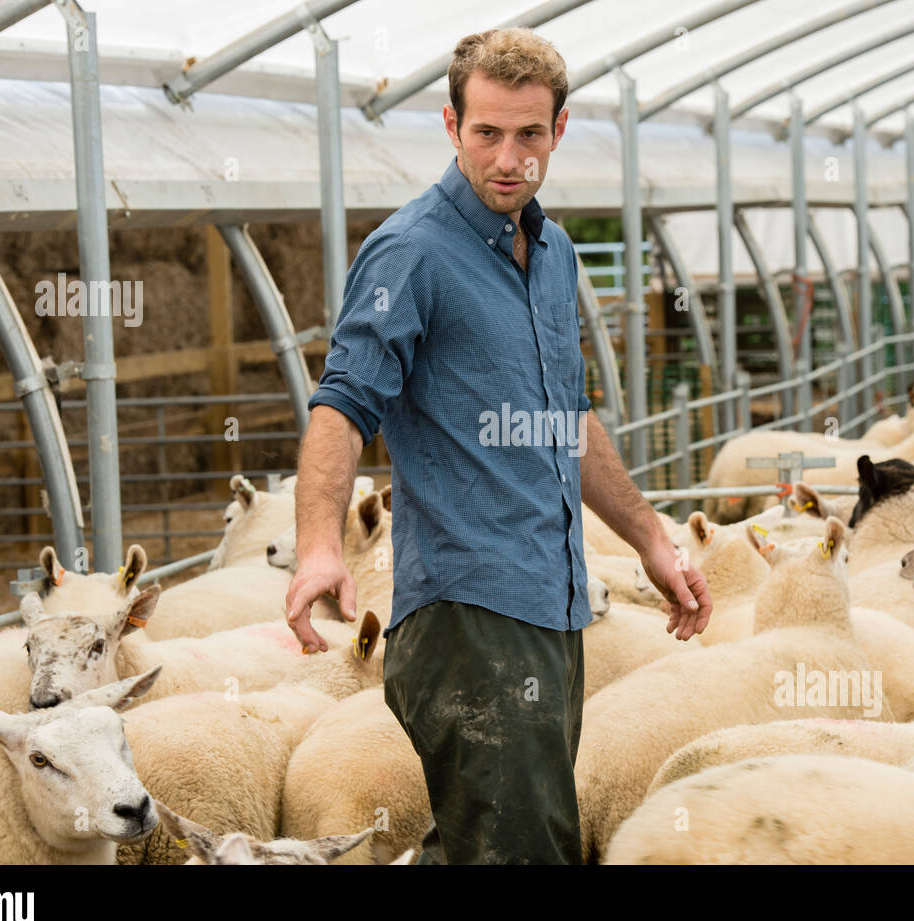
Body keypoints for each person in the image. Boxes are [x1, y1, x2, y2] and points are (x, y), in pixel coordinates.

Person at [284, 27, 712, 865]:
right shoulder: (411, 252)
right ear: (451, 127)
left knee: (492, 843)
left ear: (559, 129)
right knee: (526, 852)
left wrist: (651, 538)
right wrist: (317, 544)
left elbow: (569, 416)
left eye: (529, 134)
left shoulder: (551, 253)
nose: (508, 158)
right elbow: (342, 401)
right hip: (469, 616)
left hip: (553, 604)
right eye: (486, 133)